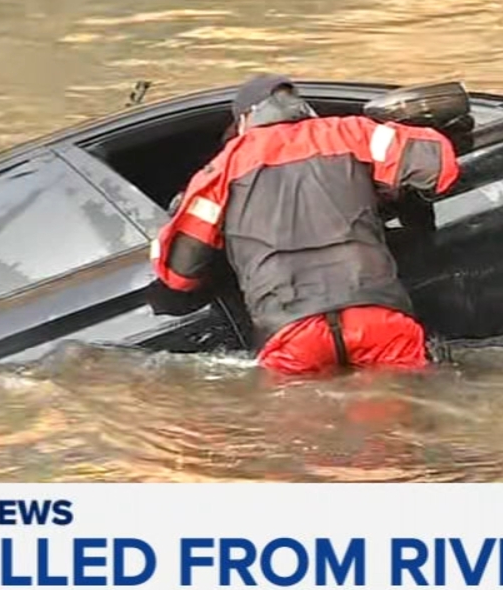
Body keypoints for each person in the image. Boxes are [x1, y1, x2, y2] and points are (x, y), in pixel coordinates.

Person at [149, 74, 460, 375]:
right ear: (303, 107)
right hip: (376, 316)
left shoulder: (222, 168)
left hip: (293, 332)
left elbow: (180, 274)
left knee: (303, 425)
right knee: (404, 422)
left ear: (244, 121)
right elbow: (440, 168)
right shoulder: (352, 133)